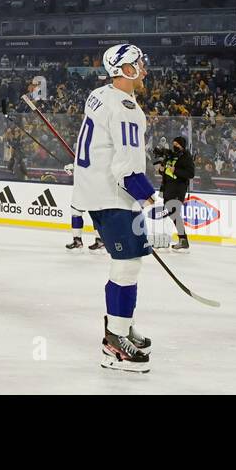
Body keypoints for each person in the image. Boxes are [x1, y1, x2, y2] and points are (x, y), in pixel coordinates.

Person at [77, 44, 156, 373]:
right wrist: (147, 194)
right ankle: (114, 341)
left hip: (100, 189)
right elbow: (124, 165)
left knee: (131, 263)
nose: (143, 65)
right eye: (137, 62)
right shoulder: (126, 108)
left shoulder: (99, 93)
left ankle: (123, 325)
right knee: (126, 264)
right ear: (124, 70)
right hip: (113, 193)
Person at [156, 135, 195, 251]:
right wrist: (161, 170)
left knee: (170, 213)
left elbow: (190, 174)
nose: (175, 146)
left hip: (178, 189)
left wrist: (176, 170)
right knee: (173, 214)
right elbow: (167, 171)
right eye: (174, 144)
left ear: (182, 145)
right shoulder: (171, 156)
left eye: (177, 144)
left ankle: (165, 240)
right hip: (167, 188)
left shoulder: (186, 157)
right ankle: (182, 240)